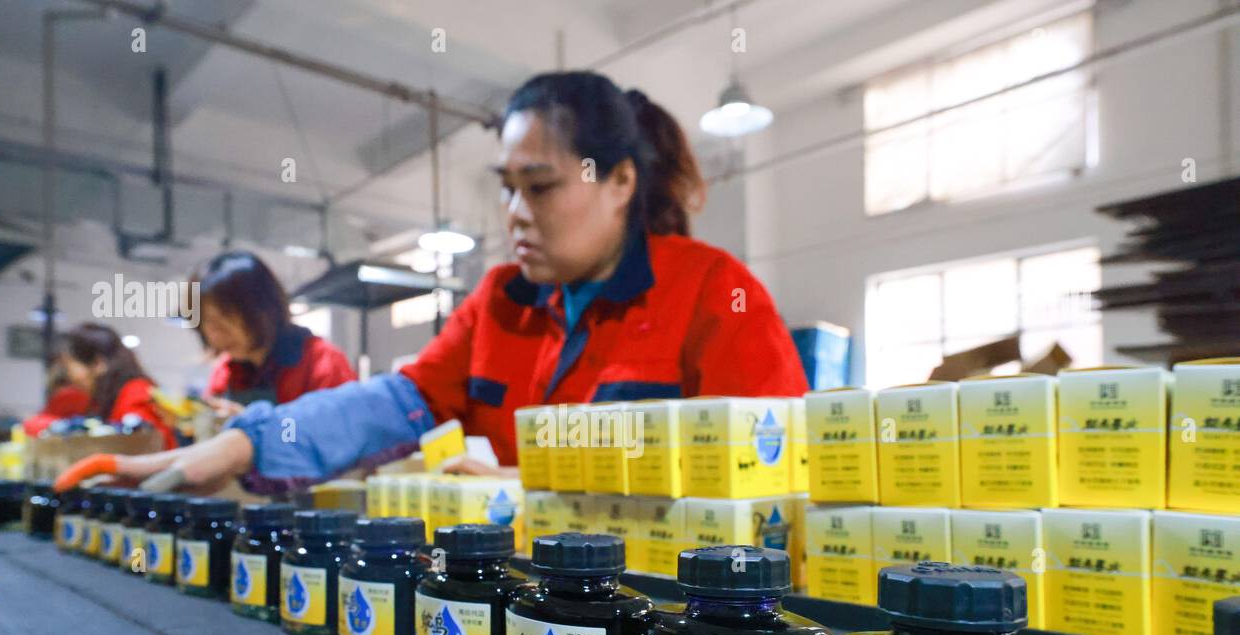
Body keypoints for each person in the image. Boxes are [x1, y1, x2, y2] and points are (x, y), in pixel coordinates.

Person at [55, 71, 808, 495]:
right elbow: (395, 403)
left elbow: (773, 476)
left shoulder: (715, 294)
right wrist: (244, 444)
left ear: (618, 181)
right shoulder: (501, 303)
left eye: (539, 188)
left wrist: (527, 476)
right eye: (505, 187)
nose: (514, 214)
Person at [193, 250, 356, 417]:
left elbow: (341, 436)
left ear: (263, 309)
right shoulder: (225, 371)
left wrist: (256, 428)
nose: (215, 334)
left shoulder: (322, 364)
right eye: (207, 320)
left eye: (226, 316)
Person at [58, 323, 178, 449]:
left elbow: (148, 452)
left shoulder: (134, 397)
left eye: (69, 366)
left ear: (98, 363)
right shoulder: (118, 396)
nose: (69, 375)